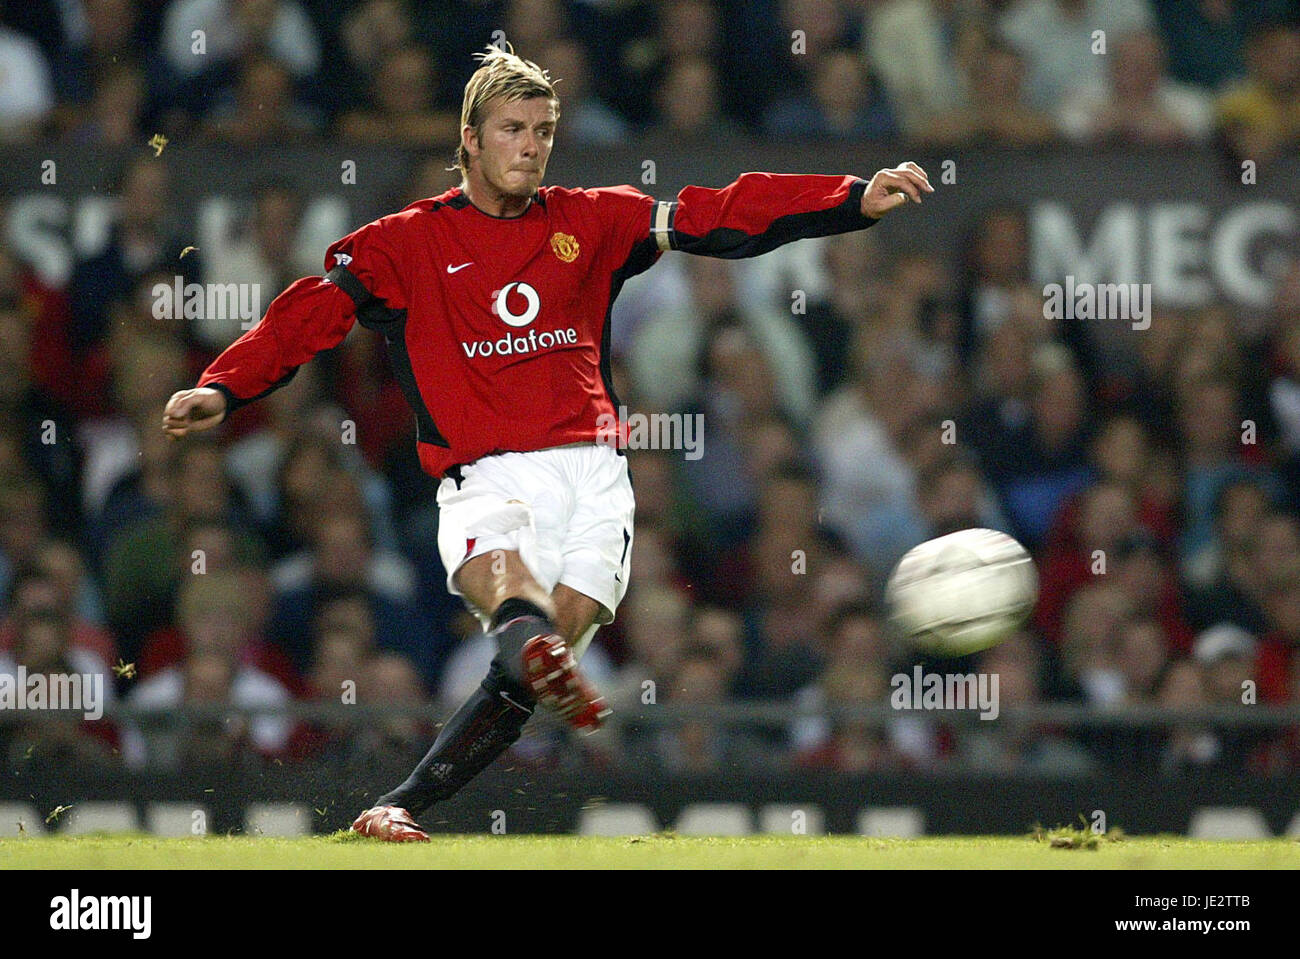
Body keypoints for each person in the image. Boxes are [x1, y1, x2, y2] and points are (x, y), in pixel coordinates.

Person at [160, 45, 931, 841]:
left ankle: (403, 798)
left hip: (598, 476)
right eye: (511, 129)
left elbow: (716, 213)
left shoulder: (593, 219)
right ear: (468, 137)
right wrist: (224, 384)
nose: (530, 145)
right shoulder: (403, 242)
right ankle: (521, 647)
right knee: (518, 607)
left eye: (543, 130)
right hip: (487, 472)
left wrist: (850, 199)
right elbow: (310, 314)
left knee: (541, 655)